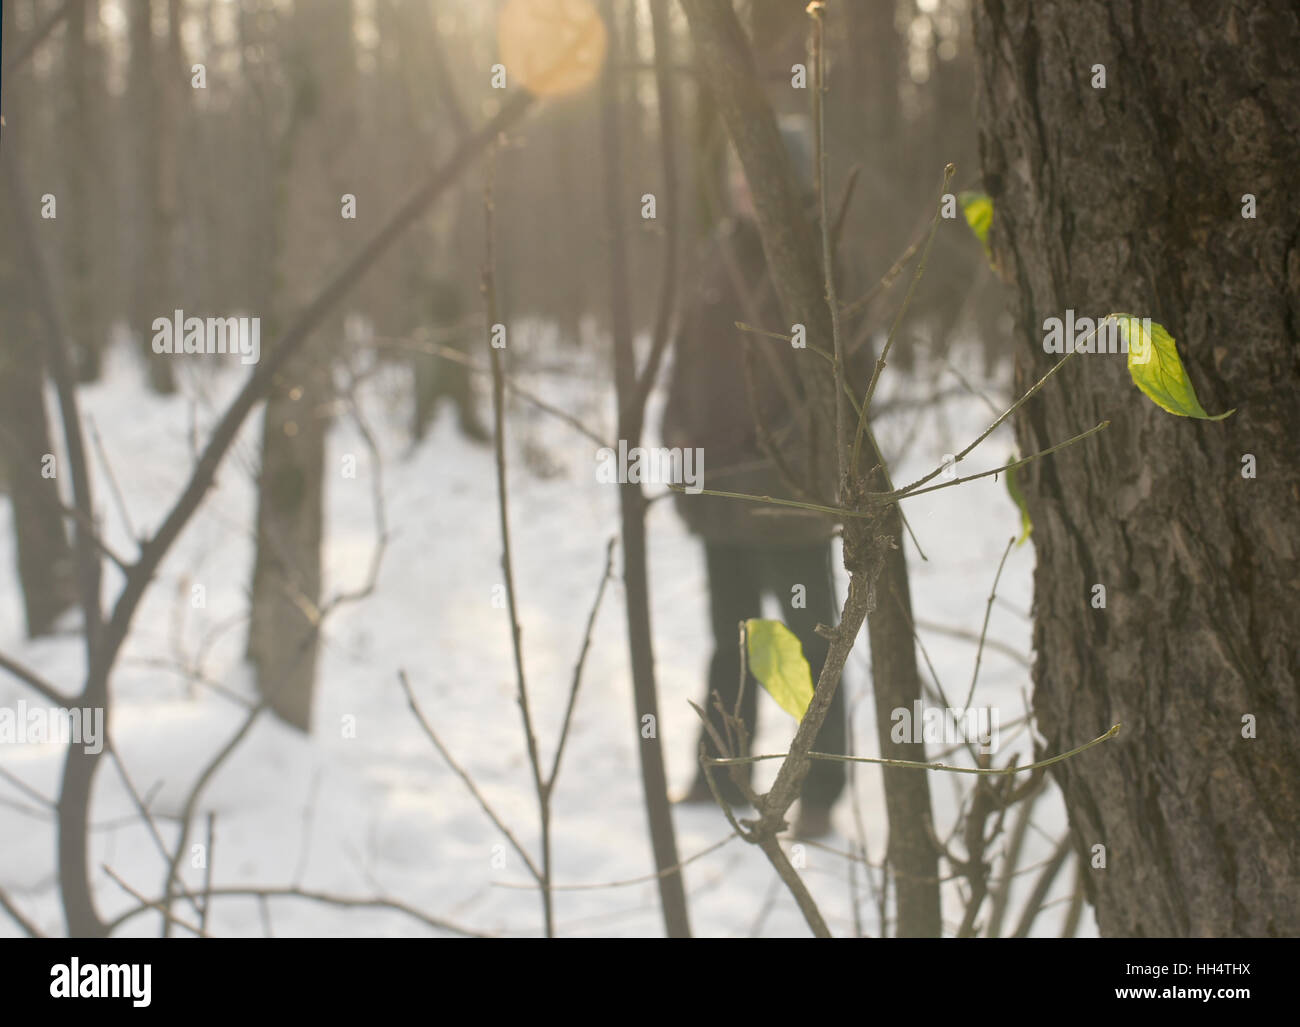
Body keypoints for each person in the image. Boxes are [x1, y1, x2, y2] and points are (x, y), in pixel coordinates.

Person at [661, 121, 846, 839]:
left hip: (785, 495)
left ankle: (822, 787)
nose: (743, 182)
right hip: (716, 493)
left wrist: (783, 463)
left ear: (792, 179)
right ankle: (724, 773)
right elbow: (684, 361)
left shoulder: (816, 262)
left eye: (757, 170)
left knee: (808, 643)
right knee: (730, 636)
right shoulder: (715, 254)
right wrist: (676, 435)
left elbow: (839, 384)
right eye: (736, 170)